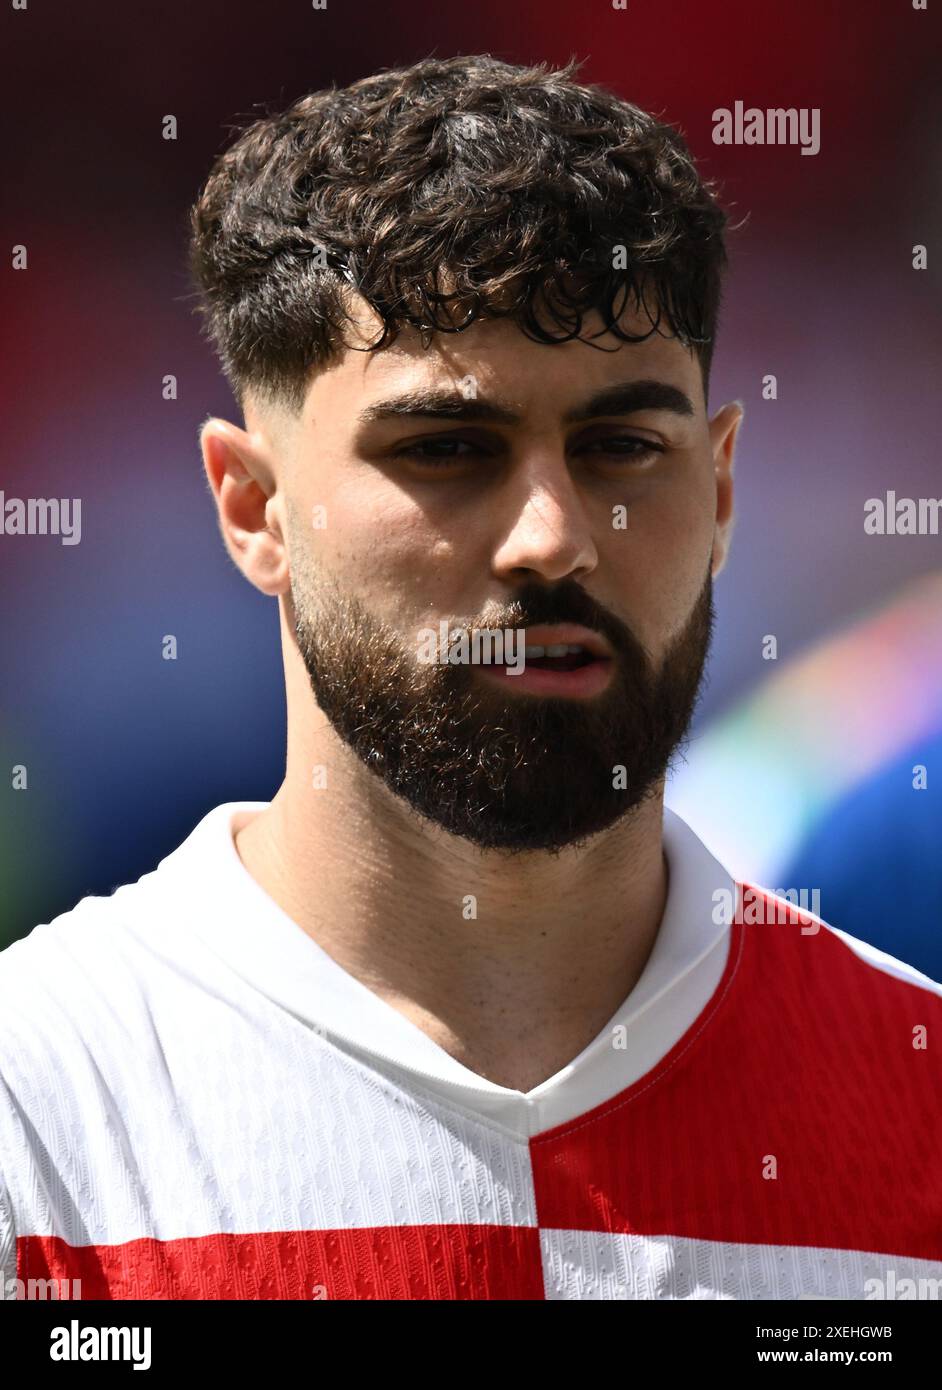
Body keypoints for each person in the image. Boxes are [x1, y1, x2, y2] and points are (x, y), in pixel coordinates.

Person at [2, 54, 939, 1302]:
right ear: (253, 504)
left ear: (719, 491)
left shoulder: (918, 1097)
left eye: (621, 446)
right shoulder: (39, 1104)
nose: (552, 536)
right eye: (447, 448)